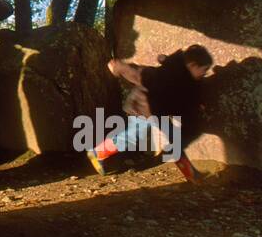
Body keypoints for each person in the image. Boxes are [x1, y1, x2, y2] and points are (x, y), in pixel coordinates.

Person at [86, 45, 215, 181]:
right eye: (204, 70)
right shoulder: (169, 73)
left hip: (158, 112)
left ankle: (192, 174)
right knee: (134, 135)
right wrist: (120, 67)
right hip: (142, 107)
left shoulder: (190, 80)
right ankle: (97, 152)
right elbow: (141, 75)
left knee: (171, 140)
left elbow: (188, 100)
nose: (205, 74)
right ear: (193, 65)